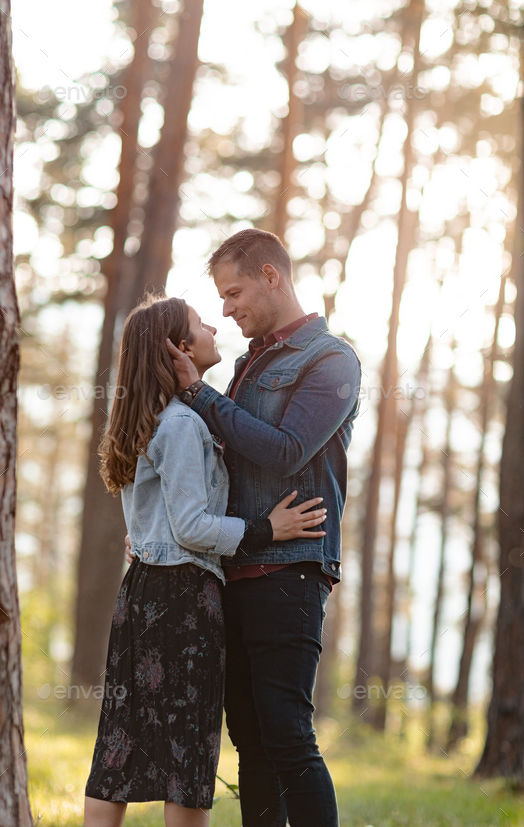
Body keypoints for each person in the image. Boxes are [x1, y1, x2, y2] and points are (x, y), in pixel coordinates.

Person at [83, 293, 328, 827]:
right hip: (182, 597)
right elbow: (192, 526)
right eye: (200, 323)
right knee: (186, 751)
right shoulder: (183, 426)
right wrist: (269, 528)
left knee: (121, 741)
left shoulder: (153, 419)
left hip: (144, 591)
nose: (214, 325)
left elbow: (158, 519)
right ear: (179, 348)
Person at [162, 228, 362, 827]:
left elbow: (285, 450)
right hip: (236, 568)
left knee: (286, 732)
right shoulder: (248, 364)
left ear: (272, 276)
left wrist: (198, 393)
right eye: (221, 299)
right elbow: (224, 459)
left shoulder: (332, 359)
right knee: (250, 738)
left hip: (292, 570)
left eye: (234, 292)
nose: (226, 309)